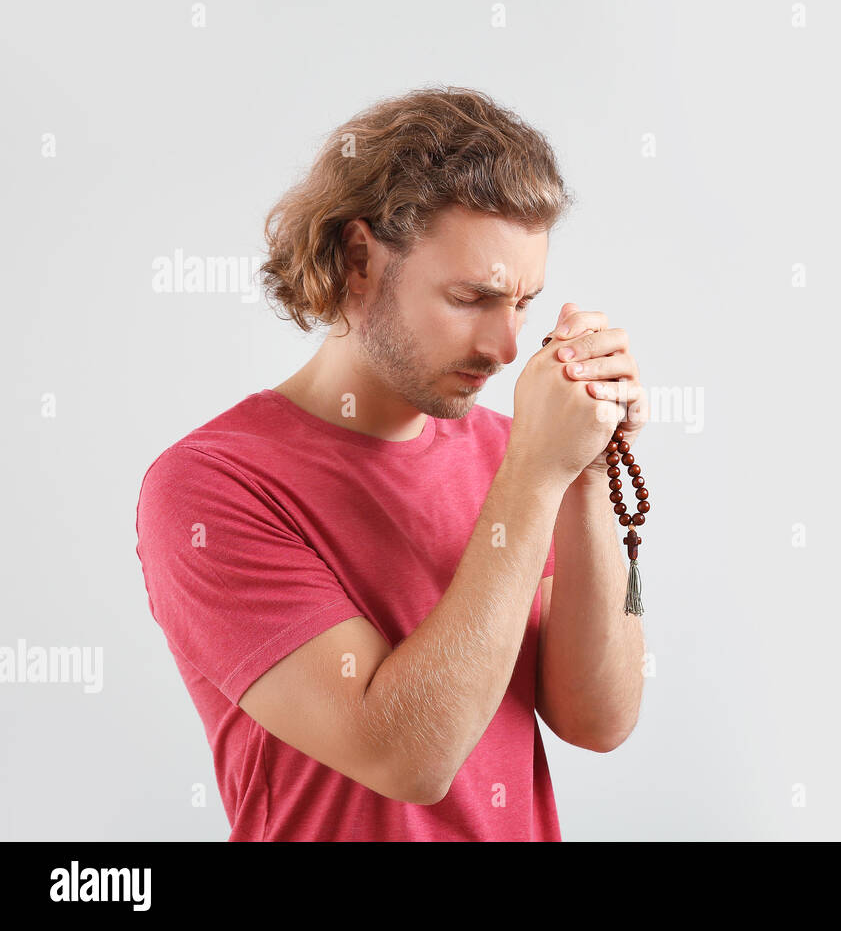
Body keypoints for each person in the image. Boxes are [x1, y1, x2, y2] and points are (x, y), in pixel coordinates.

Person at [134, 86, 649, 841]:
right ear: (357, 261)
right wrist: (539, 471)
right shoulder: (209, 485)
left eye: (524, 305)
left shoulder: (517, 456)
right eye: (473, 297)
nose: (506, 349)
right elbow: (407, 756)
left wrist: (587, 477)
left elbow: (600, 719)